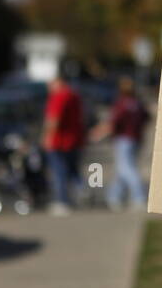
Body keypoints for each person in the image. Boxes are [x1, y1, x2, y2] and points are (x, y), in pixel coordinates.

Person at [92, 76, 148, 210]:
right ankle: (114, 197)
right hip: (136, 139)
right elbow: (147, 117)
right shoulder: (137, 103)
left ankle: (139, 196)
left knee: (126, 169)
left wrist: (97, 133)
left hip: (123, 140)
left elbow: (113, 122)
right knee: (120, 169)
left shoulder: (121, 104)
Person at [42, 74, 85, 215]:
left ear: (58, 82)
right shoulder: (74, 95)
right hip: (74, 139)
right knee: (73, 171)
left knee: (59, 172)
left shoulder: (59, 96)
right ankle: (83, 192)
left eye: (50, 84)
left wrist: (47, 137)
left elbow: (54, 119)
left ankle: (62, 201)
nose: (49, 88)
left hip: (59, 141)